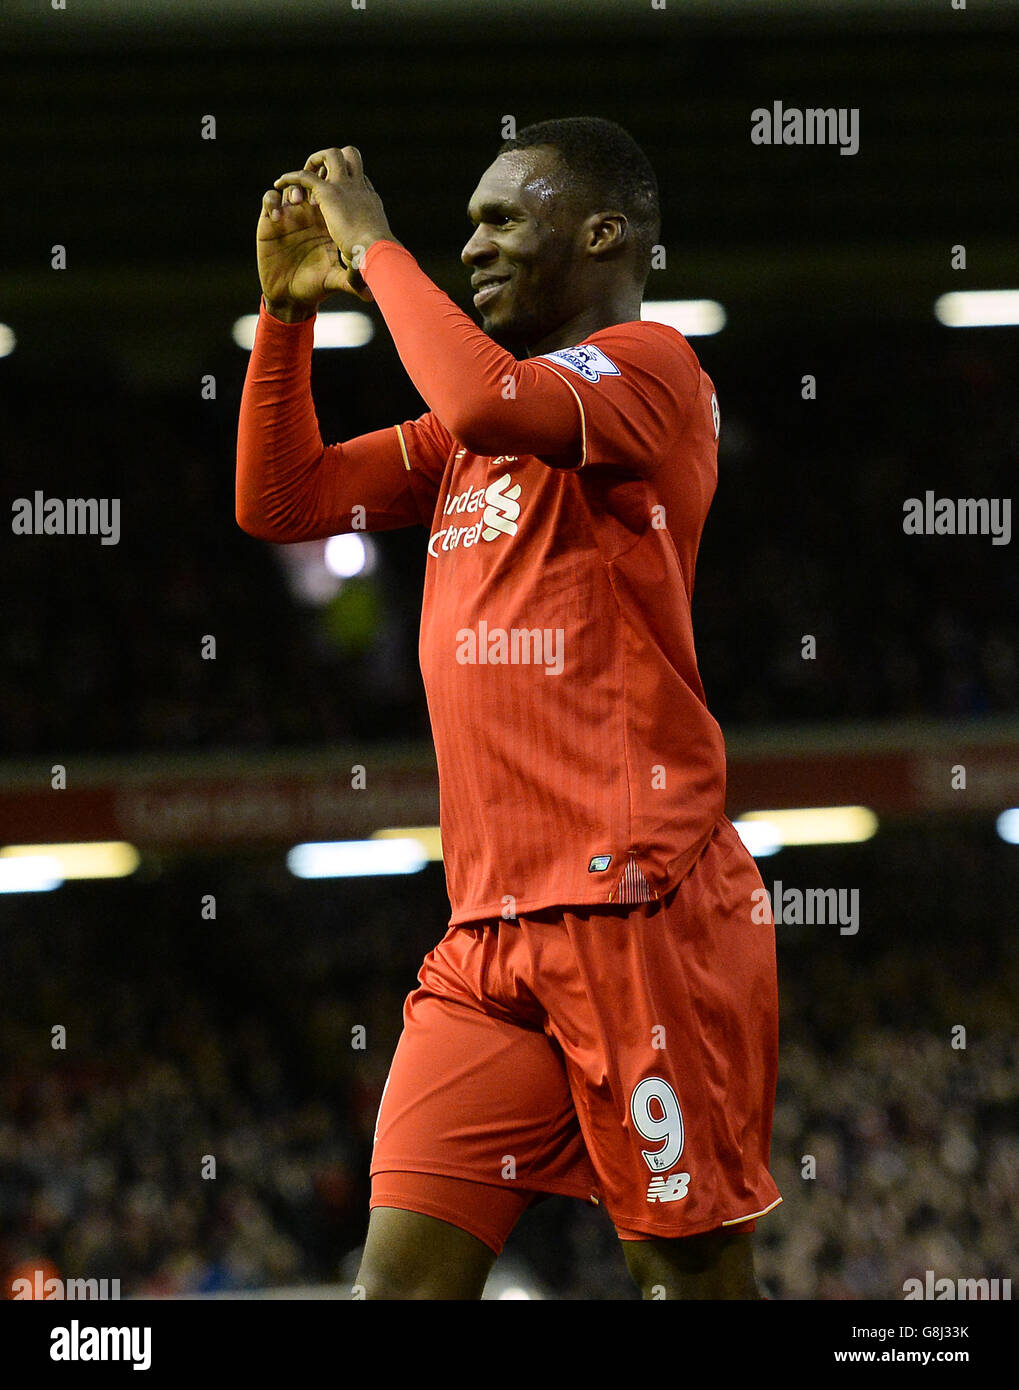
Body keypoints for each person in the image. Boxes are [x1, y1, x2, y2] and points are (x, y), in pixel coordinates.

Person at [236, 117, 781, 1300]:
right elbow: (283, 499)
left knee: (684, 1280)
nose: (470, 243)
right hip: (486, 937)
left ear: (599, 233)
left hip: (634, 906)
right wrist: (285, 317)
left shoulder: (652, 369)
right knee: (398, 1289)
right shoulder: (464, 442)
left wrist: (372, 245)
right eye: (462, 223)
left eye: (498, 218)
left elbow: (489, 401)